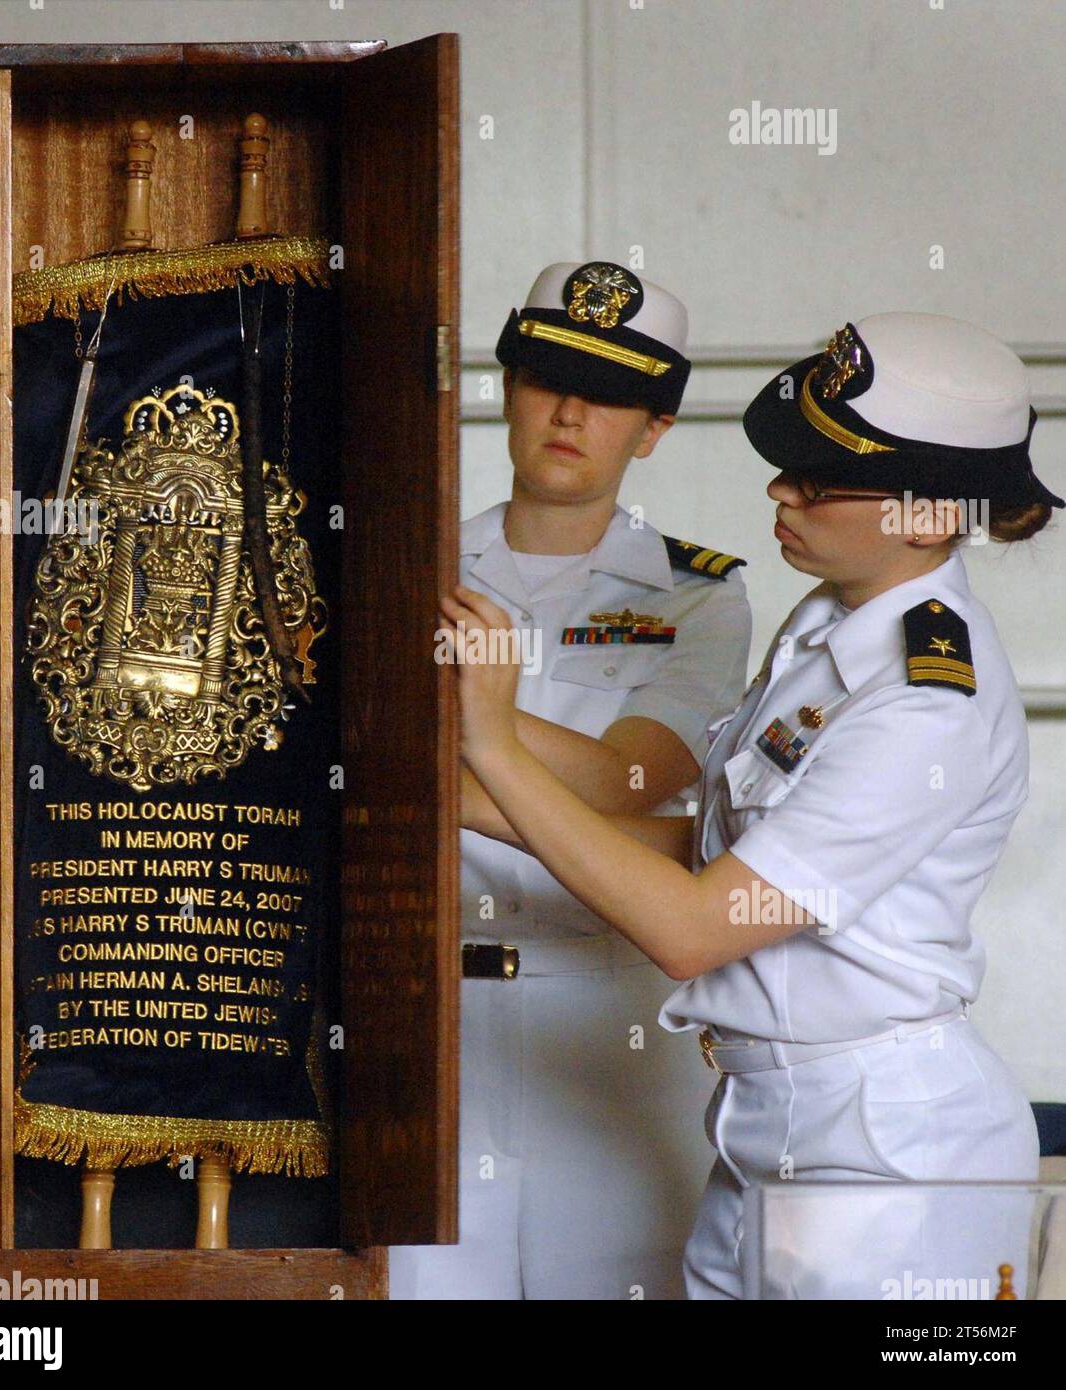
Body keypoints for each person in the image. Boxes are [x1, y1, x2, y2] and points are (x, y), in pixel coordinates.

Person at [442, 311, 1063, 1300]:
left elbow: (695, 926)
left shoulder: (926, 698)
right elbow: (706, 846)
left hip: (888, 1157)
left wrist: (489, 743)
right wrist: (455, 789)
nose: (780, 490)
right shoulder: (833, 622)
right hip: (769, 1122)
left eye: (818, 478)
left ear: (927, 512)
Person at [389, 261, 751, 1299]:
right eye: (547, 373)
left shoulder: (698, 596)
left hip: (604, 1028)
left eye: (612, 392)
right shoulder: (405, 569)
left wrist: (477, 722)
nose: (572, 409)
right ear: (506, 386)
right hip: (429, 1021)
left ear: (654, 427)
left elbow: (633, 778)